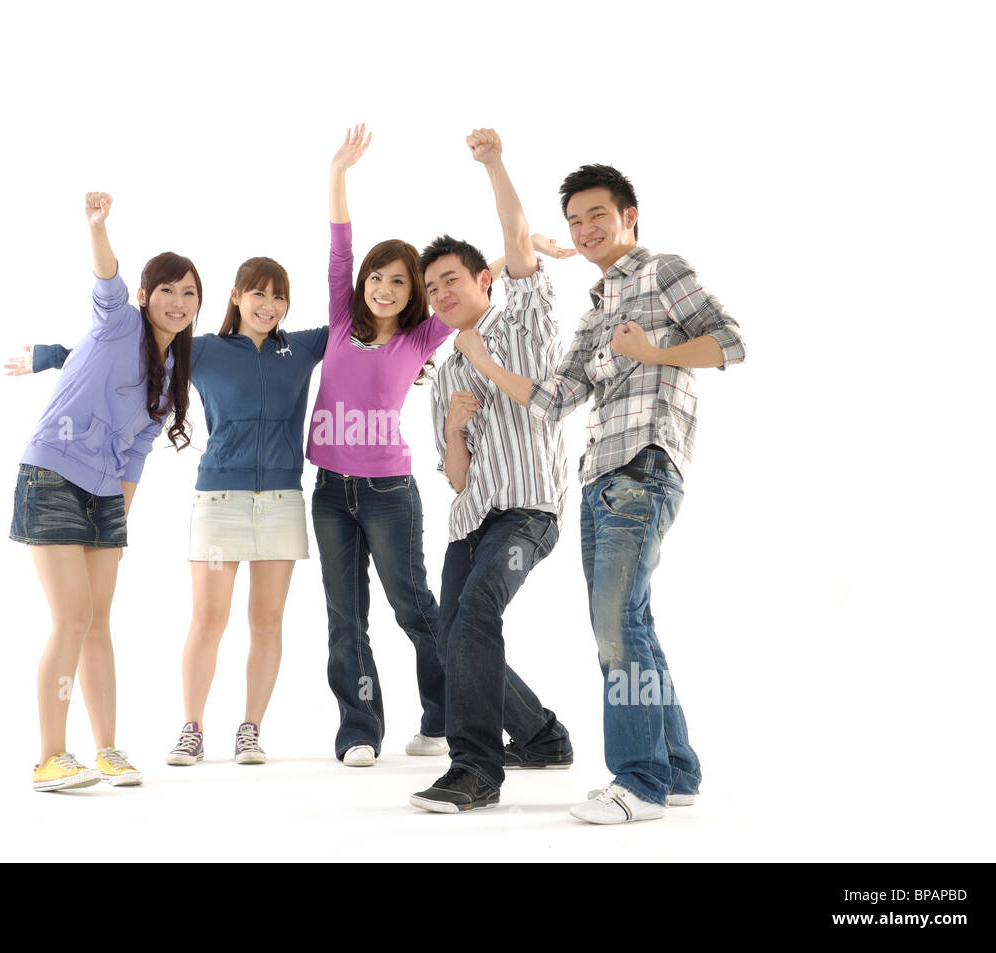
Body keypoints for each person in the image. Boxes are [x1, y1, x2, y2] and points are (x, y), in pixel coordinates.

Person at [455, 162, 746, 823]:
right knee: (630, 622)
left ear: (628, 216)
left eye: (598, 216)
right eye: (575, 220)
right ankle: (674, 770)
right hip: (598, 476)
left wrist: (654, 351)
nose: (585, 229)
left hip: (644, 465)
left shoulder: (662, 270)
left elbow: (731, 342)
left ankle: (637, 782)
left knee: (615, 627)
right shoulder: (596, 310)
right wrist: (485, 363)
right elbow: (554, 397)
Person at [14, 260, 329, 766]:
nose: (268, 305)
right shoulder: (202, 350)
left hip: (281, 500)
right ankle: (191, 729)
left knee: (266, 621)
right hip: (218, 500)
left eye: (279, 297)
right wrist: (48, 356)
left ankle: (248, 730)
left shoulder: (303, 347)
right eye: (257, 294)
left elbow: (369, 329)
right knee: (206, 620)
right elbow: (125, 358)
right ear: (234, 296)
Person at [408, 129, 574, 813]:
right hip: (468, 520)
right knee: (454, 636)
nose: (441, 292)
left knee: (475, 615)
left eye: (451, 278)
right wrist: (452, 429)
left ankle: (474, 768)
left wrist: (494, 164)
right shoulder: (444, 372)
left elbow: (518, 238)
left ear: (484, 279)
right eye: (431, 287)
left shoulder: (521, 324)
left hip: (528, 512)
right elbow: (454, 475)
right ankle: (540, 735)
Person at [11, 191, 197, 791]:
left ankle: (108, 750)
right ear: (147, 297)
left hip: (105, 498)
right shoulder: (118, 321)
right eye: (166, 289)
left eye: (189, 292)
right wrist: (97, 226)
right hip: (52, 476)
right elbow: (106, 278)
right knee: (71, 618)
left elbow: (139, 449)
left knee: (98, 623)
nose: (177, 301)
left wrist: (118, 511)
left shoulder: (171, 375)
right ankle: (49, 757)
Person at [308, 125, 455, 766]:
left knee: (413, 606)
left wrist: (516, 252)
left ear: (413, 291)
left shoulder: (420, 340)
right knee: (346, 616)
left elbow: (473, 291)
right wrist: (339, 171)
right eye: (377, 278)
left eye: (399, 282)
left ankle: (443, 718)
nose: (385, 289)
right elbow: (340, 246)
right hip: (331, 493)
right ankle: (360, 729)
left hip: (390, 492)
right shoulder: (342, 317)